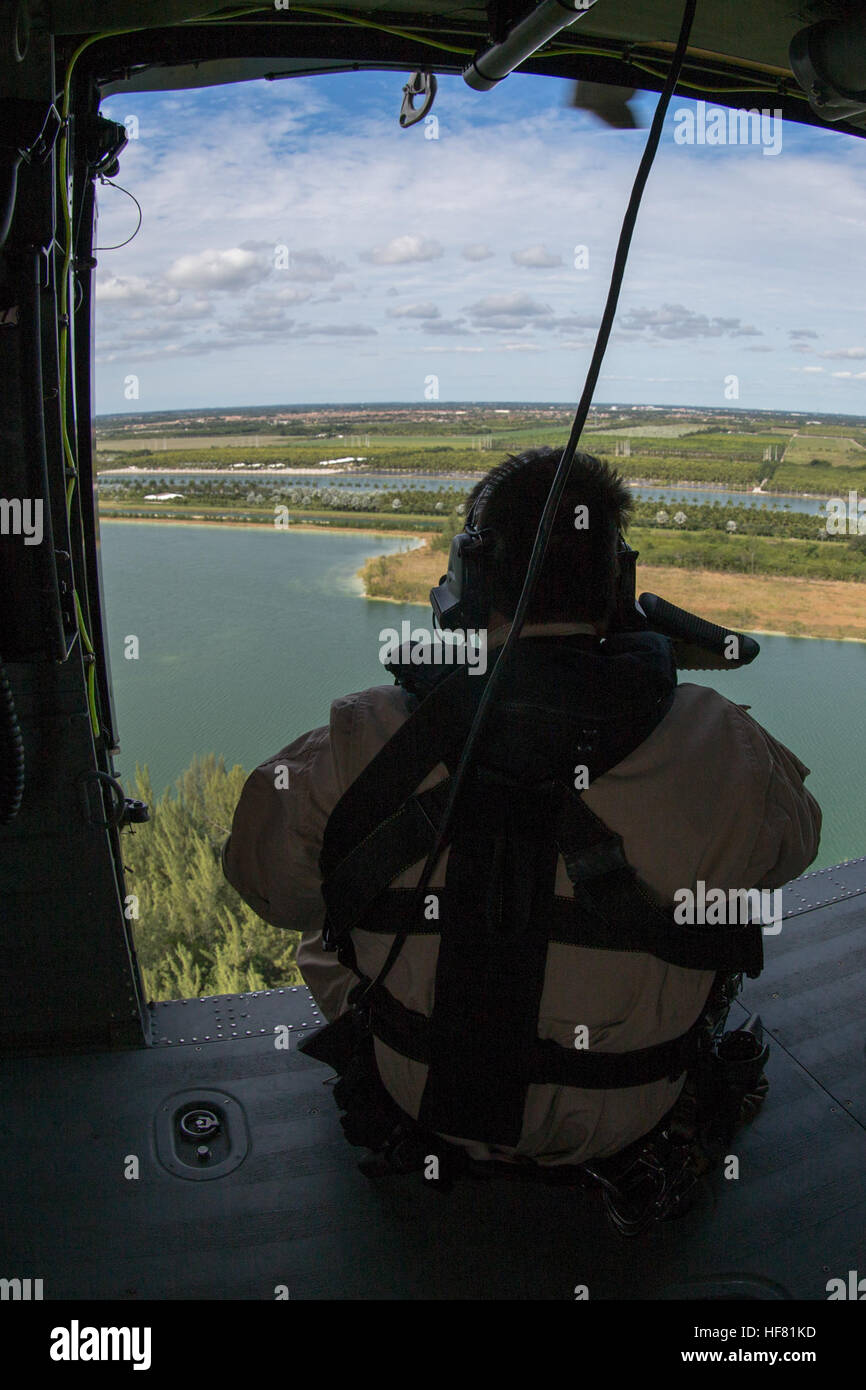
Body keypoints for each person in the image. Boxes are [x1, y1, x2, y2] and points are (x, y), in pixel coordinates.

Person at [222, 446, 821, 1173]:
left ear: (469, 576)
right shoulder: (727, 742)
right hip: (628, 1114)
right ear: (618, 579)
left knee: (323, 937)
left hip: (414, 1095)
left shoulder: (361, 737)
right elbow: (792, 847)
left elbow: (267, 888)